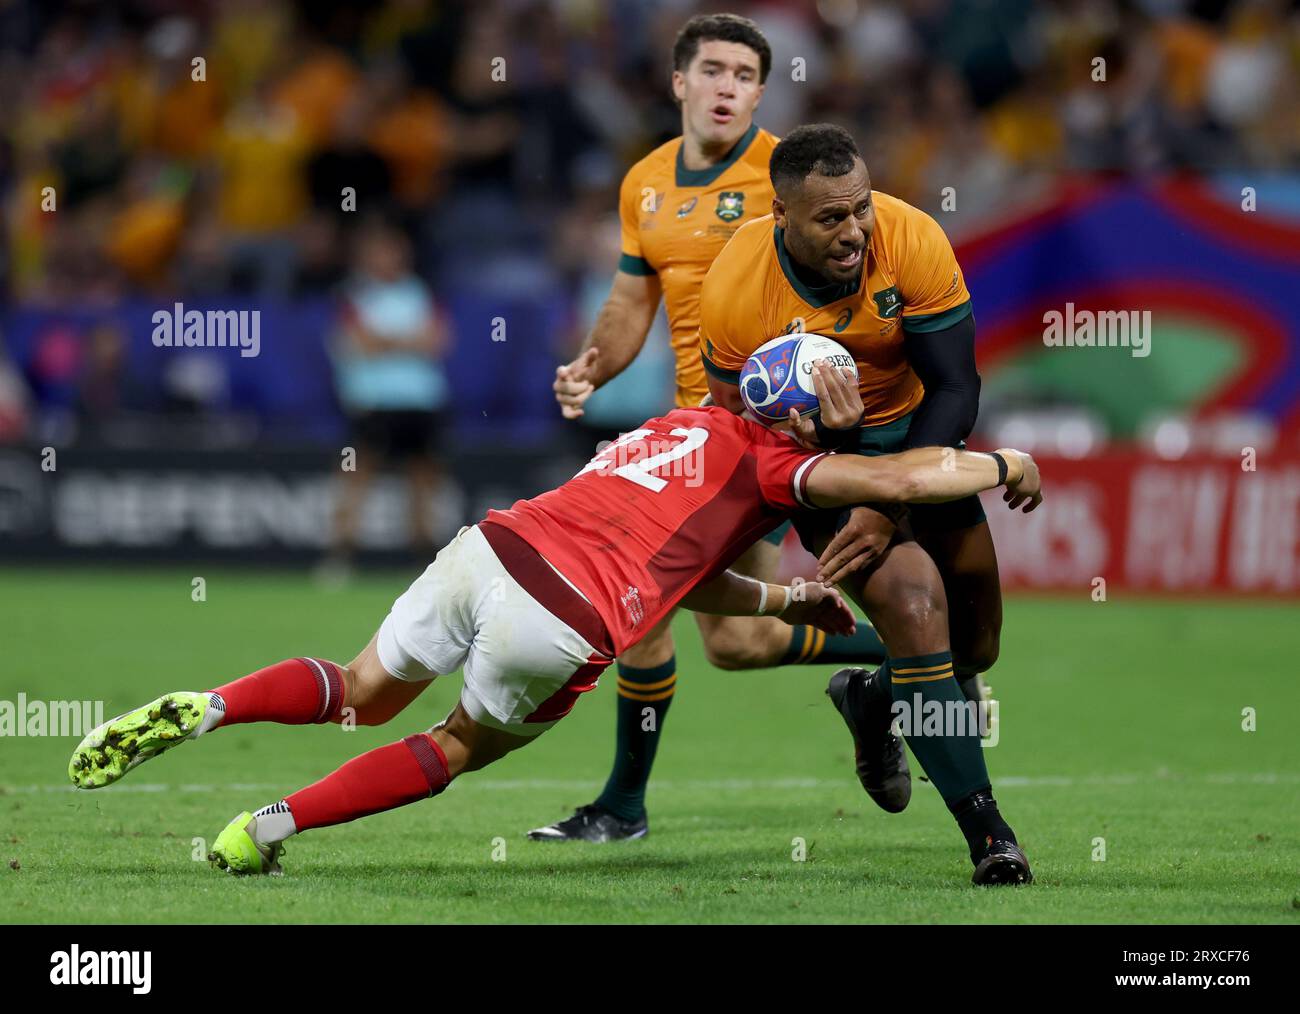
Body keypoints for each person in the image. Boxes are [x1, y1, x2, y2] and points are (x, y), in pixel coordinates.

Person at [68, 401, 1041, 886]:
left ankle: (213, 705)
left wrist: (784, 604)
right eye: (826, 391)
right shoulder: (775, 459)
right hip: (563, 618)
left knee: (359, 687)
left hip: (492, 546)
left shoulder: (678, 425)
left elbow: (685, 568)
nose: (840, 406)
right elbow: (908, 482)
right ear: (789, 404)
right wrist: (1001, 461)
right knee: (449, 746)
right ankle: (264, 830)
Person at [542, 12, 887, 845]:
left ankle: (623, 808)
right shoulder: (645, 184)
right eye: (713, 71)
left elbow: (856, 273)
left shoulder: (790, 177)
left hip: (768, 430)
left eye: (744, 75)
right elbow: (633, 299)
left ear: (761, 92)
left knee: (666, 609)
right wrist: (595, 363)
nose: (727, 86)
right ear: (679, 82)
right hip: (692, 428)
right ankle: (903, 659)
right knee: (730, 640)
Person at [699, 123, 1024, 881]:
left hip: (923, 444)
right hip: (825, 469)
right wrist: (818, 453)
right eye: (830, 218)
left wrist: (894, 498)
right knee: (915, 615)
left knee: (975, 651)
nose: (855, 231)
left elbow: (956, 387)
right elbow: (736, 437)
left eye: (860, 209)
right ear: (782, 215)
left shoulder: (911, 237)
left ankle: (872, 697)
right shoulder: (736, 292)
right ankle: (990, 838)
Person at [322, 219, 449, 578]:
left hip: (421, 402)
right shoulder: (353, 296)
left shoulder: (421, 292)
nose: (390, 257)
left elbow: (437, 342)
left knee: (423, 479)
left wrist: (387, 342)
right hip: (373, 402)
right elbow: (359, 345)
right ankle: (340, 556)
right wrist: (408, 342)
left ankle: (424, 558)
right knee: (356, 476)